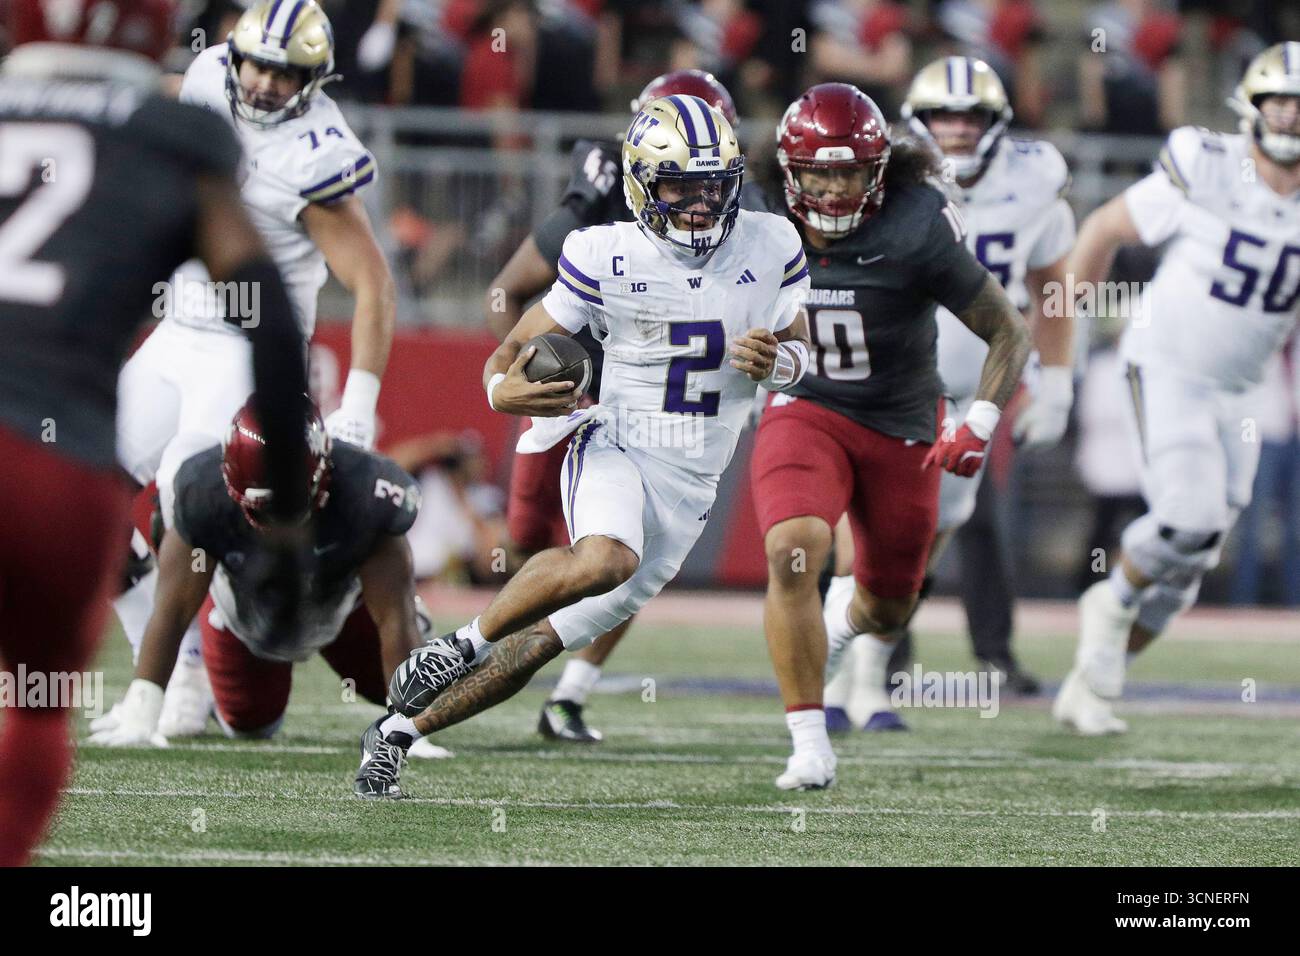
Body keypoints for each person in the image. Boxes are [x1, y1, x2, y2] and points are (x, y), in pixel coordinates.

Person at [353, 93, 812, 799]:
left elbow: (800, 352)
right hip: (618, 441)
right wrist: (497, 388)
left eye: (712, 187)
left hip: (693, 488)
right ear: (639, 185)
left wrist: (777, 364)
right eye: (679, 188)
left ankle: (395, 735)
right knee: (605, 554)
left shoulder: (772, 241)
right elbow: (513, 344)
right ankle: (458, 644)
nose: (698, 205)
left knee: (541, 645)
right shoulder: (606, 252)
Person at [0, 0, 309, 867]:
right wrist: (281, 518)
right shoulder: (174, 135)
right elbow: (274, 326)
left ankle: (168, 687)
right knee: (36, 700)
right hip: (55, 477)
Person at [113, 0, 396, 739]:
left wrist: (358, 403)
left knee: (184, 507)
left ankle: (185, 685)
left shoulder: (318, 151)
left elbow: (372, 284)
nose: (267, 82)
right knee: (85, 485)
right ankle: (172, 680)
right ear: (234, 56)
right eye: (258, 64)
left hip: (248, 349)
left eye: (287, 72)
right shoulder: (209, 71)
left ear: (317, 79)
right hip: (178, 330)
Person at [750, 82, 1030, 789]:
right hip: (806, 404)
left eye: (851, 171)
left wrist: (981, 420)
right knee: (794, 550)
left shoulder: (916, 223)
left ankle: (841, 623)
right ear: (790, 171)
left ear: (880, 170)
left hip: (901, 423)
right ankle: (809, 743)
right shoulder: (752, 217)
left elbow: (1007, 329)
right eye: (820, 170)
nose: (836, 188)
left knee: (887, 607)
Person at [822, 55, 1075, 728]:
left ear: (996, 122)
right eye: (942, 116)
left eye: (970, 116)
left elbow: (1053, 285)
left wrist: (1058, 381)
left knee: (926, 536)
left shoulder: (1036, 180)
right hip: (889, 380)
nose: (957, 130)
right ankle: (832, 676)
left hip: (974, 393)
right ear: (917, 122)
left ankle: (870, 678)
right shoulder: (887, 176)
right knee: (863, 535)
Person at [485, 70, 738, 743]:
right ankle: (461, 659)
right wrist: (532, 371)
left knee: (627, 557)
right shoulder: (600, 199)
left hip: (662, 418)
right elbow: (506, 295)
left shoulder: (743, 215)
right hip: (576, 403)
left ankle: (569, 693)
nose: (696, 190)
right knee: (521, 548)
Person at [1055, 43, 1300, 735]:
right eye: (1279, 100)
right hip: (1166, 364)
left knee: (1191, 568)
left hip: (1242, 391)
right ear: (1250, 108)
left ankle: (1093, 682)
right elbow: (1103, 228)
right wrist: (1062, 337)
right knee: (1186, 516)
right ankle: (1106, 604)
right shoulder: (1208, 163)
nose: (1290, 116)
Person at [90, 403, 426, 753]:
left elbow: (393, 620)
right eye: (263, 508)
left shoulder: (367, 491)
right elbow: (171, 613)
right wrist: (142, 710)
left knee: (431, 683)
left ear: (324, 473)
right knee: (251, 724)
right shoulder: (203, 491)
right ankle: (208, 644)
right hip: (251, 619)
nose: (278, 524)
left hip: (345, 605)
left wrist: (411, 725)